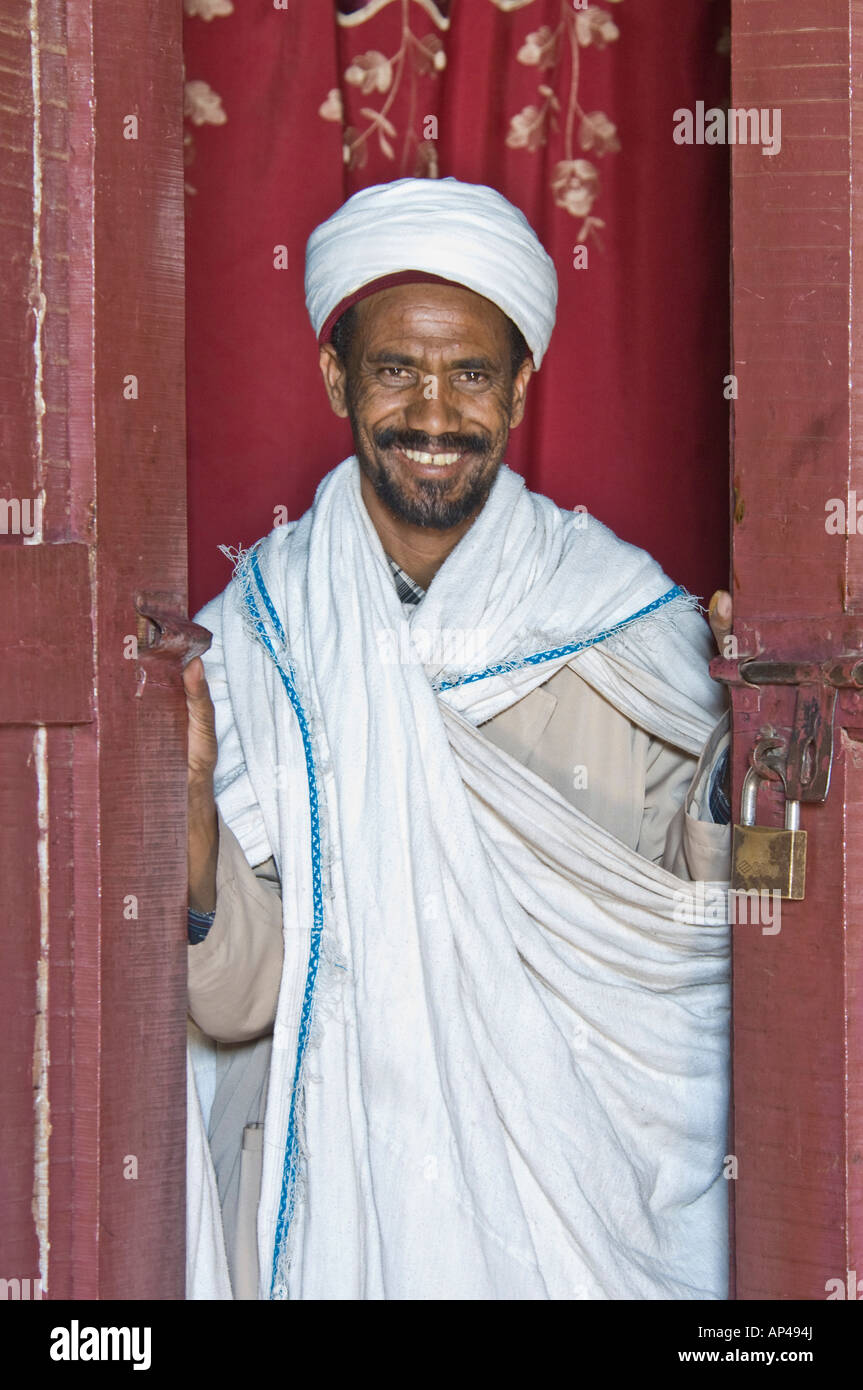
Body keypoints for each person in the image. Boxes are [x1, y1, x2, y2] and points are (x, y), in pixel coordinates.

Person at [183, 177, 734, 1302]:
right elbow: (237, 1001)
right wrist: (187, 816)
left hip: (592, 1203)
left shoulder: (626, 628)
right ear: (337, 376)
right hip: (344, 1206)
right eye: (395, 369)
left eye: (470, 372)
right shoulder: (256, 640)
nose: (431, 413)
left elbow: (714, 939)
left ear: (519, 385)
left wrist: (752, 752)